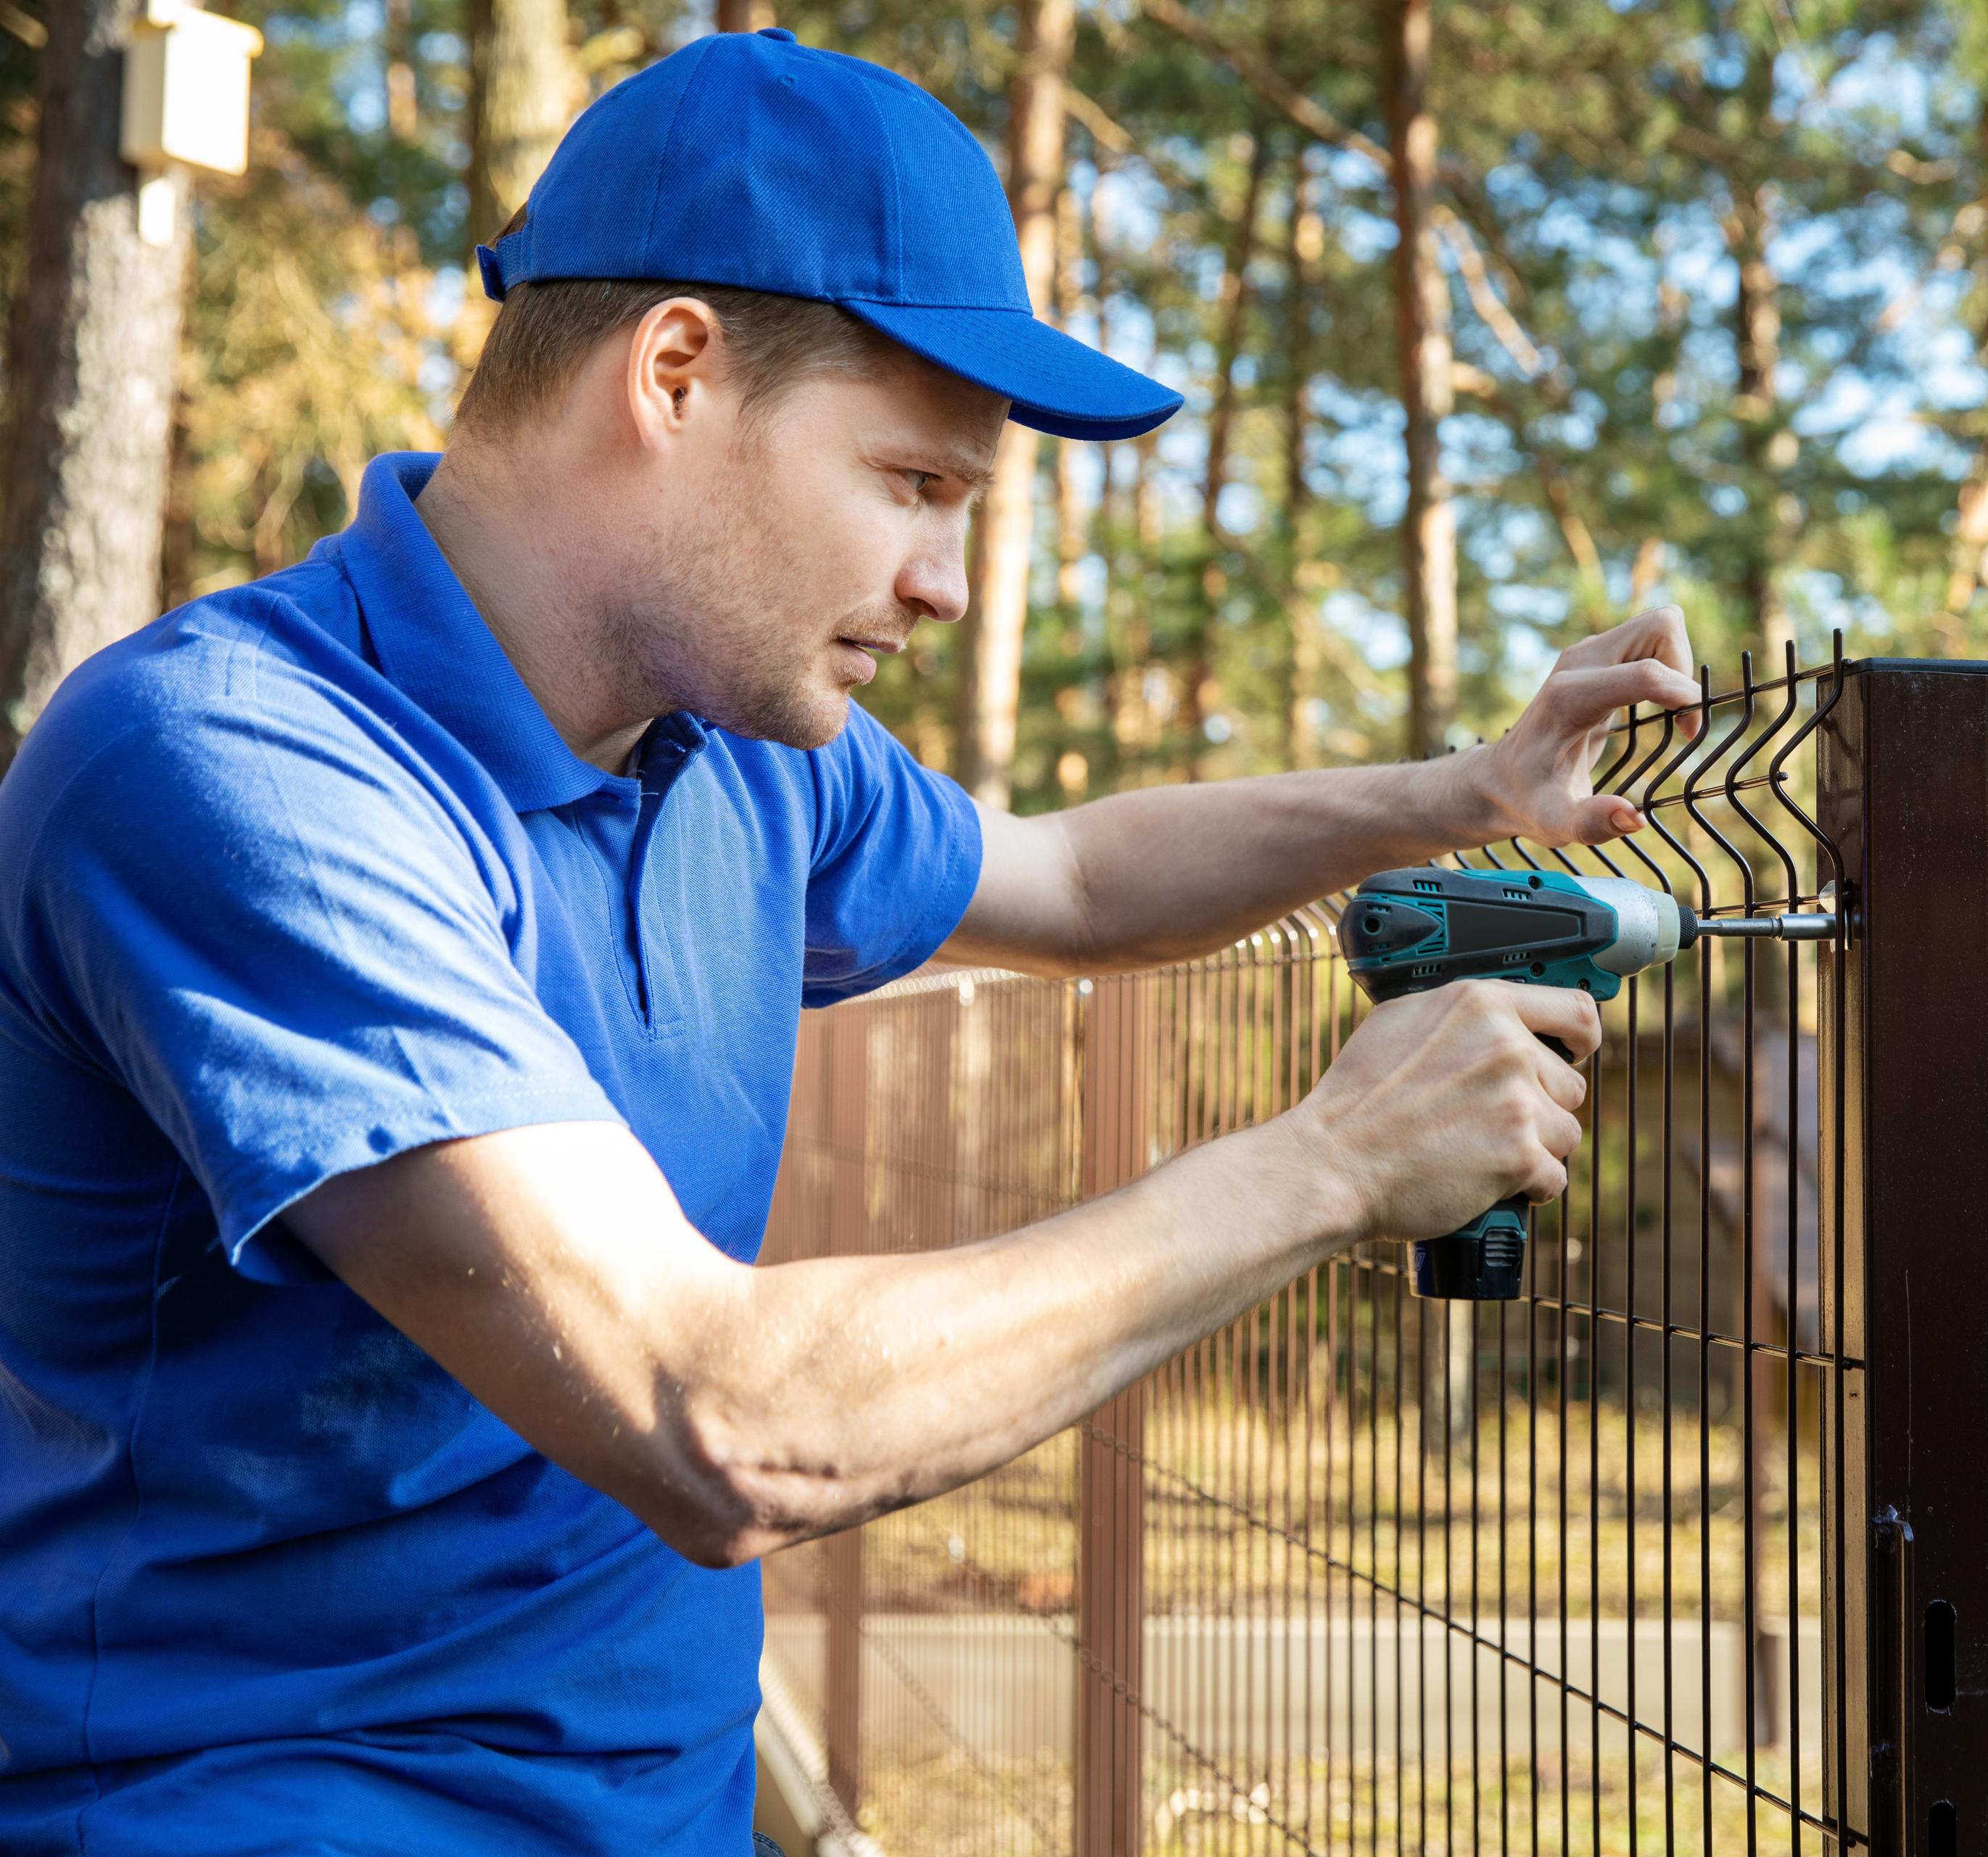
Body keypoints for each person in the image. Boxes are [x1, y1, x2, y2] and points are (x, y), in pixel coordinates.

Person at [0, 28, 1702, 1856]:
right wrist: (1339, 1158)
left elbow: (1076, 878)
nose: (947, 582)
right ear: (674, 372)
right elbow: (708, 1409)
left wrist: (1462, 792)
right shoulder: (242, 769)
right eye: (916, 483)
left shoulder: (730, 748)